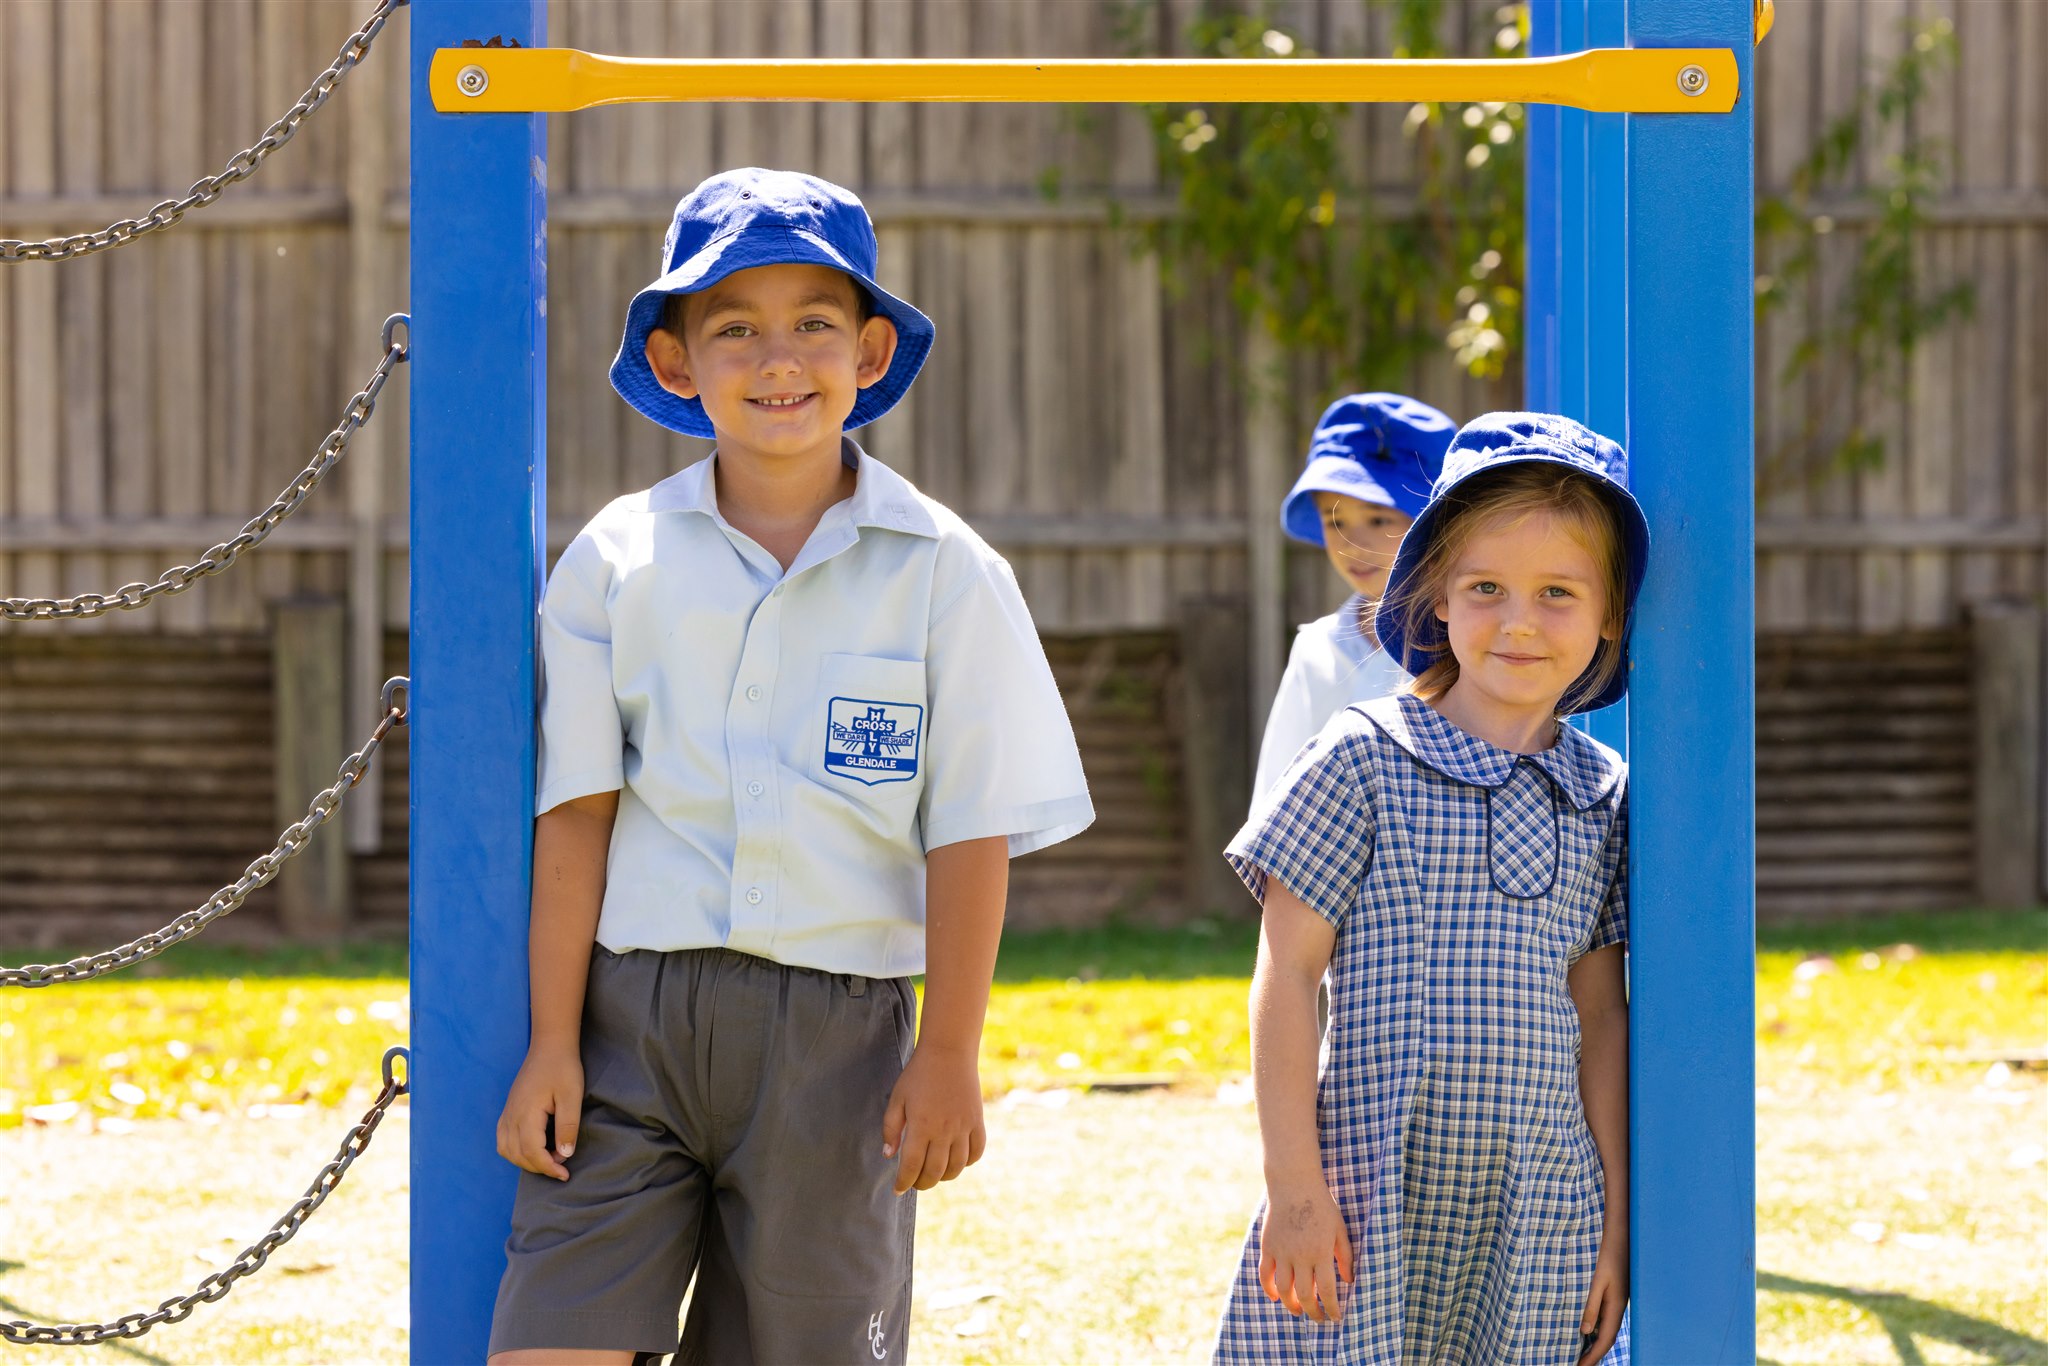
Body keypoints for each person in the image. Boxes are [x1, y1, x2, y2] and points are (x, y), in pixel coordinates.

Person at [485, 168, 1094, 1365]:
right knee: (550, 1346)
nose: (778, 360)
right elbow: (577, 816)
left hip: (838, 1042)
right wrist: (552, 1040)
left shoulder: (945, 571)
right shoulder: (614, 560)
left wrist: (949, 1052)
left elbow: (967, 828)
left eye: (814, 324)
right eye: (734, 329)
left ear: (868, 352)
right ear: (675, 362)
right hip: (628, 1031)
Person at [1214, 412, 1645, 1366]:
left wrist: (1617, 1225)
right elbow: (1287, 976)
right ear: (1438, 596)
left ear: (1610, 615)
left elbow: (1602, 1019)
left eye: (1558, 592)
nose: (1519, 621)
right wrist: (1295, 1191)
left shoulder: (1603, 796)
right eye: (1486, 587)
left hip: (1540, 1217)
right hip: (1365, 1201)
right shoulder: (1361, 757)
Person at [1254, 393, 1456, 799]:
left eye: (1378, 519)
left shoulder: (1467, 641)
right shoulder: (1317, 647)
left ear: (1435, 523)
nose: (1351, 543)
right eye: (1335, 521)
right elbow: (1275, 797)